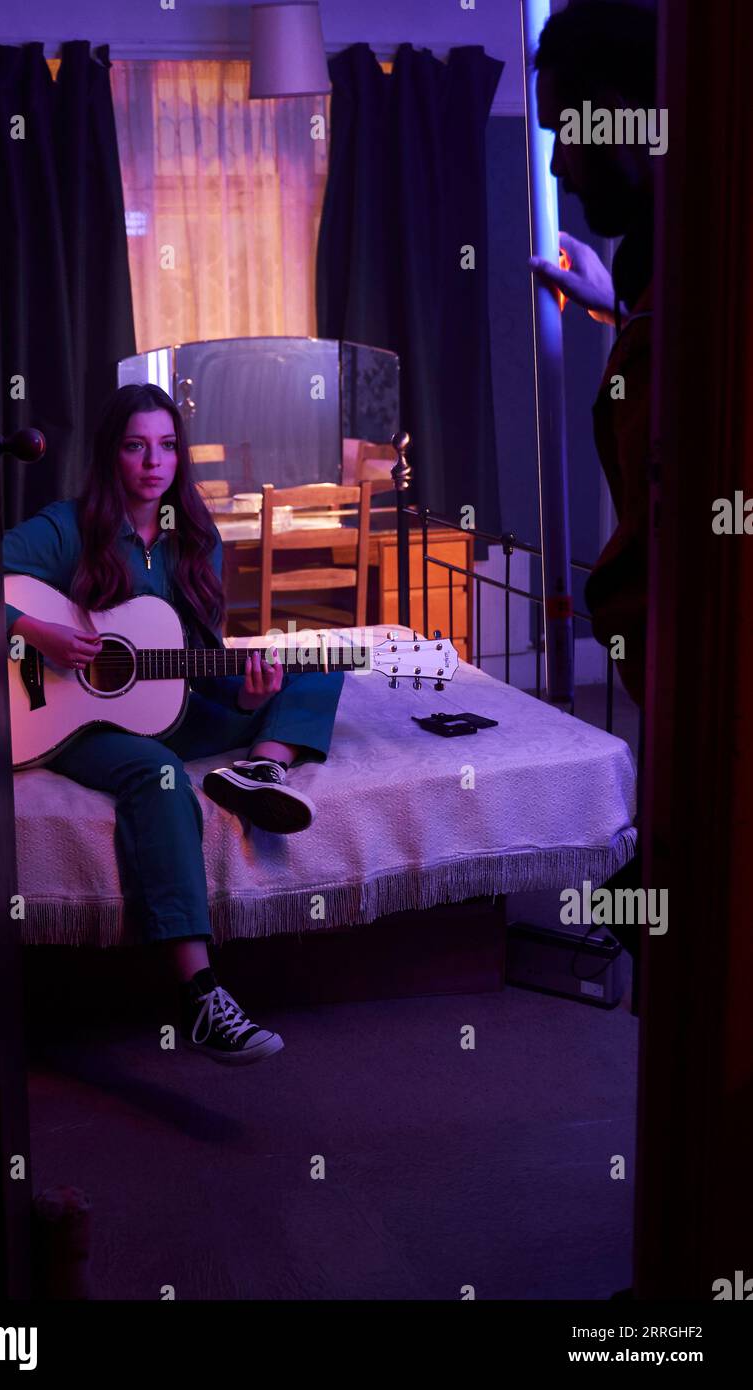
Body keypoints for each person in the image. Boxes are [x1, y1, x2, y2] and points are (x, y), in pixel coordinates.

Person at [4, 382, 345, 1065]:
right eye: (135, 447)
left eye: (165, 446)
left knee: (318, 657)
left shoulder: (195, 536)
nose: (151, 462)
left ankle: (260, 765)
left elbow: (201, 655)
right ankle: (202, 997)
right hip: (78, 722)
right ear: (111, 455)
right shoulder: (66, 526)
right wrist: (37, 633)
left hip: (171, 701)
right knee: (158, 774)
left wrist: (248, 705)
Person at [528, 0, 658, 989]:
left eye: (565, 132)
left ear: (614, 110)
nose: (562, 169)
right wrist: (614, 310)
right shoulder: (656, 264)